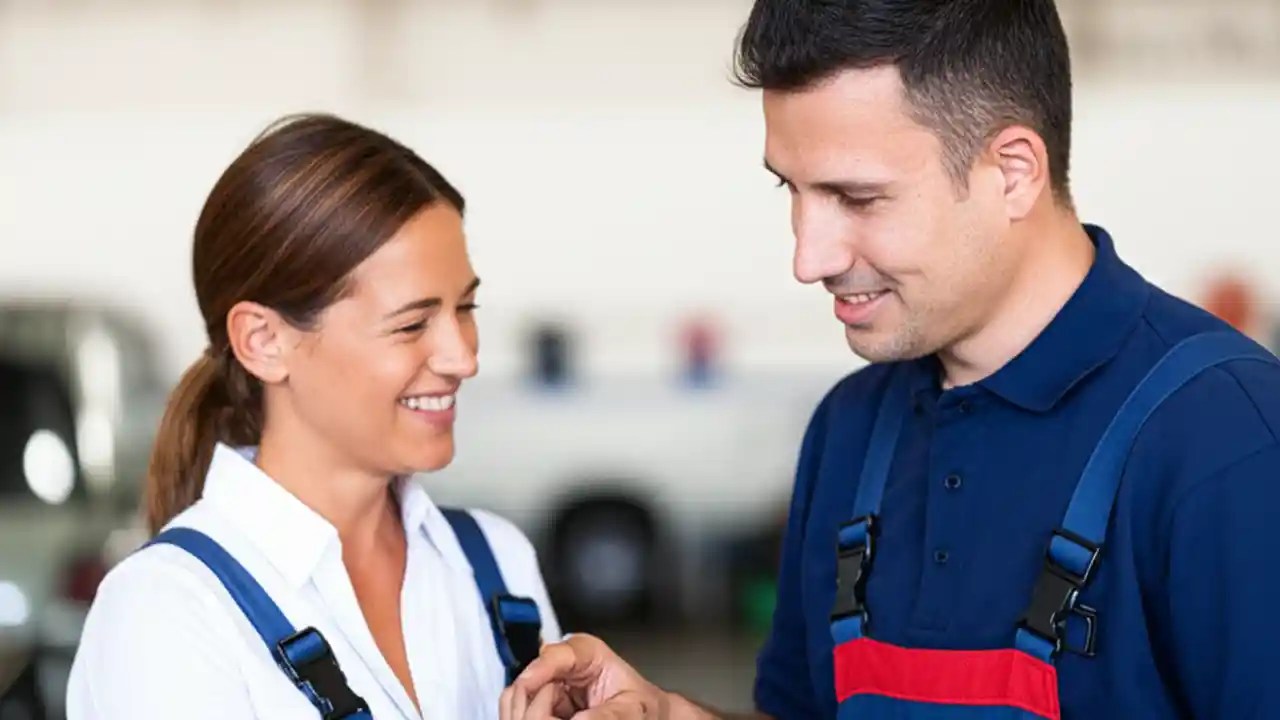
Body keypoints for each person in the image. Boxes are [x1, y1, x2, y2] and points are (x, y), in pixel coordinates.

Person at [500, 0, 1280, 718]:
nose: (809, 257)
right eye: (792, 191)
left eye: (858, 199)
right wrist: (671, 715)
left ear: (1013, 173)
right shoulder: (850, 429)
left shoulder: (1225, 442)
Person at [66, 113, 561, 720]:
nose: (464, 357)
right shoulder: (167, 612)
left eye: (466, 308)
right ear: (263, 341)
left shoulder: (498, 564)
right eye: (411, 325)